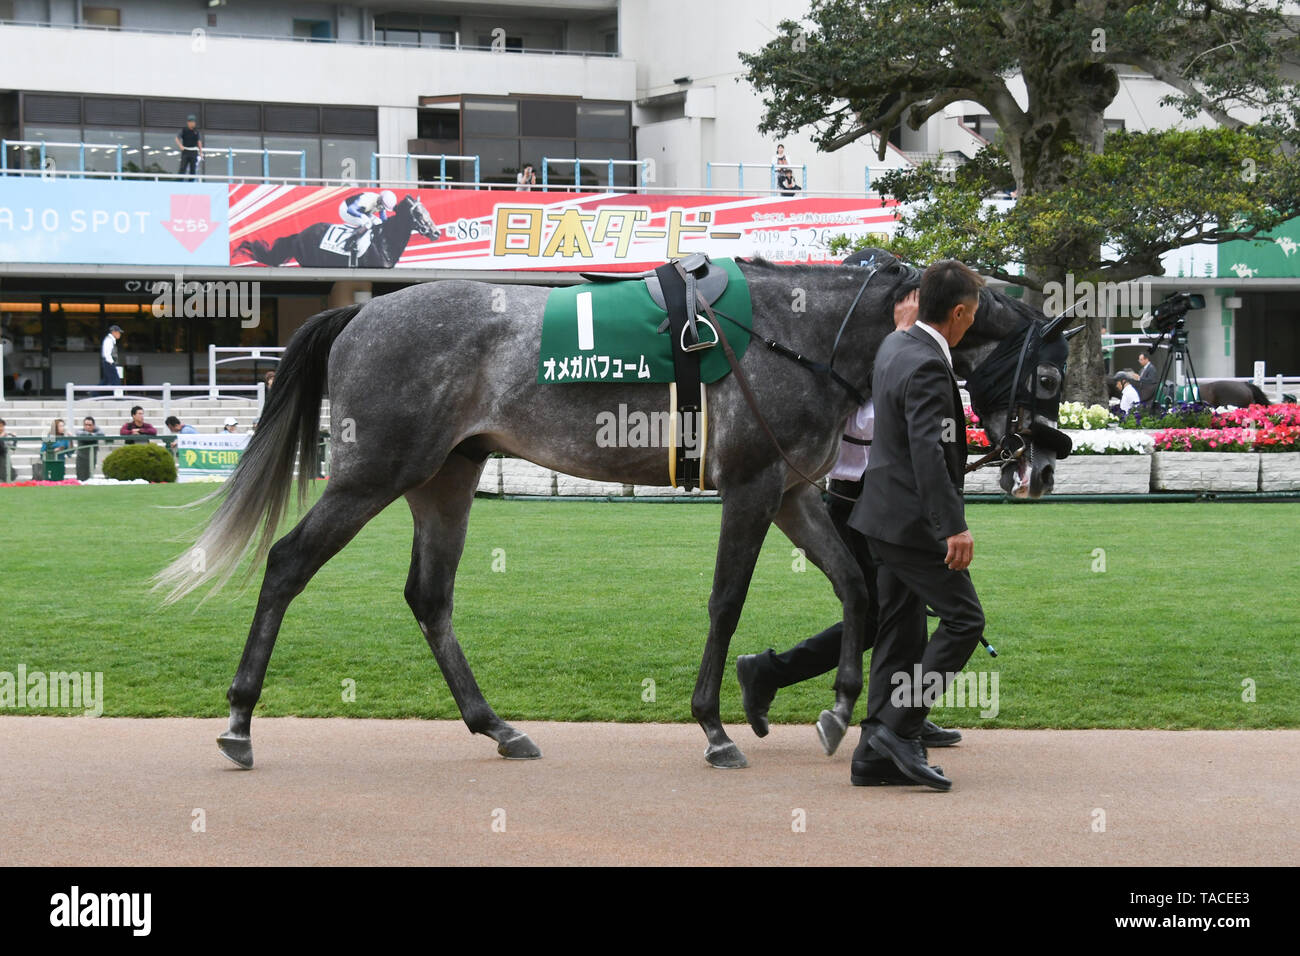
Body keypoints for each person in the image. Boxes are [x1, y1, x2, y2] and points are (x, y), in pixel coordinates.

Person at [736, 286, 962, 783]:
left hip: (880, 499)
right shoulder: (868, 351)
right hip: (853, 498)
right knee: (885, 613)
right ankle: (782, 676)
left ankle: (897, 718)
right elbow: (867, 426)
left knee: (896, 613)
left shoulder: (889, 348)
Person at [846, 258, 988, 792]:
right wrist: (952, 526)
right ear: (956, 313)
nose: (971, 324)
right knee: (964, 621)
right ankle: (897, 729)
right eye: (971, 316)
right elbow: (927, 451)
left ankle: (872, 757)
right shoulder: (926, 361)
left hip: (881, 517)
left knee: (901, 633)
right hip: (911, 523)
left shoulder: (896, 344)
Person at [338, 190, 397, 254]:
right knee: (368, 223)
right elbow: (350, 209)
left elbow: (383, 219)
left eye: (384, 207)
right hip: (346, 210)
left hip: (362, 211)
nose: (382, 207)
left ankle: (375, 243)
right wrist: (362, 216)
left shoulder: (381, 203)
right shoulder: (367, 199)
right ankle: (350, 242)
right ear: (380, 199)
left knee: (378, 222)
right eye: (382, 205)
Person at [175, 115, 204, 181]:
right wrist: (180, 146)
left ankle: (191, 182)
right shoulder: (184, 130)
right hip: (185, 151)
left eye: (194, 122)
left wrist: (201, 152)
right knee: (182, 168)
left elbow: (199, 142)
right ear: (188, 123)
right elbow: (177, 139)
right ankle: (179, 182)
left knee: (193, 169)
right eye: (191, 122)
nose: (193, 123)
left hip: (193, 152)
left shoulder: (196, 132)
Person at [76, 416, 105, 480]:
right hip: (81, 459)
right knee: (81, 478)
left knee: (90, 477)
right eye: (86, 425)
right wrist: (92, 435)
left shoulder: (97, 431)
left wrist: (91, 435)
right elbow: (80, 434)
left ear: (93, 426)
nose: (87, 427)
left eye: (90, 425)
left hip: (92, 458)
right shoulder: (80, 431)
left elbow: (102, 434)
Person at [0, 418, 15, 482]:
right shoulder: (2, 436)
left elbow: (13, 447)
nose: (1, 428)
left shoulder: (5, 436)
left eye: (2, 426)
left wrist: (14, 438)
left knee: (11, 475)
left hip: (4, 459)